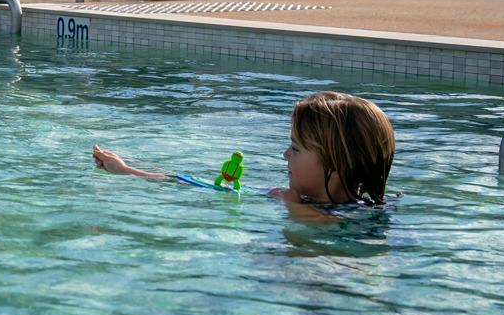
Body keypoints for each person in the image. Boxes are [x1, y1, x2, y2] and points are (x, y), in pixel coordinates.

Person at [91, 90, 395, 224]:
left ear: (336, 166)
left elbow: (322, 228)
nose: (285, 154)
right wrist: (129, 171)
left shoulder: (359, 219)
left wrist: (294, 208)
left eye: (296, 148)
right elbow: (206, 186)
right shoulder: (292, 197)